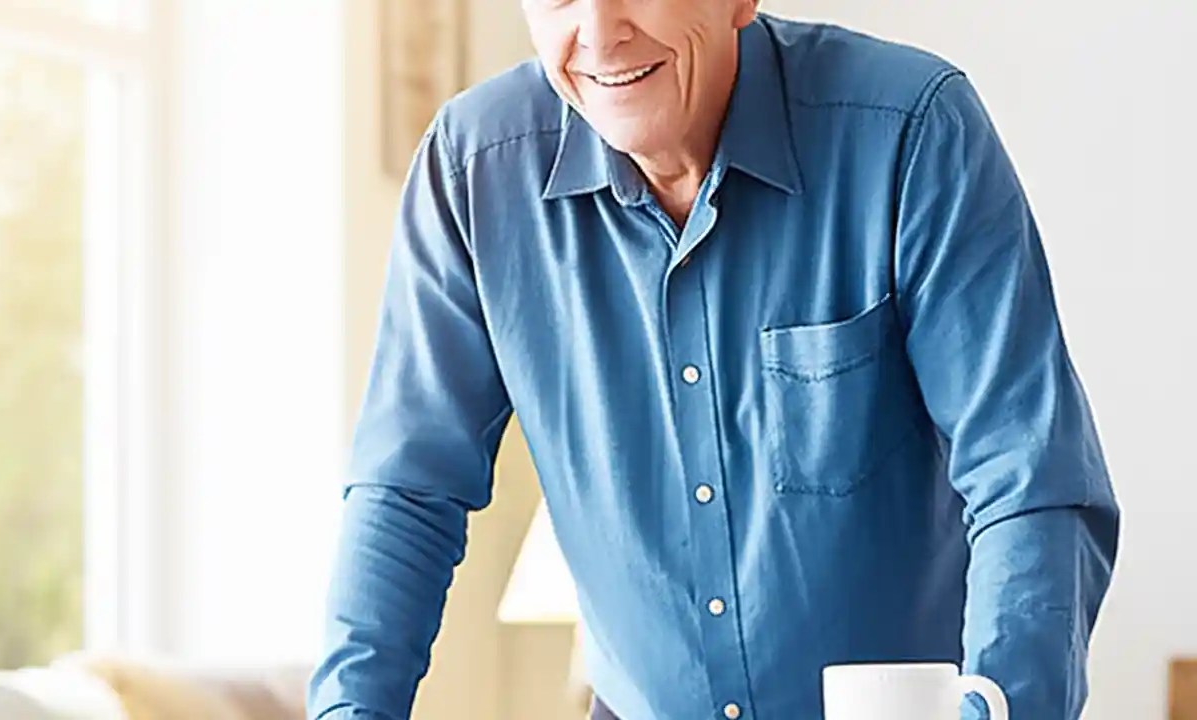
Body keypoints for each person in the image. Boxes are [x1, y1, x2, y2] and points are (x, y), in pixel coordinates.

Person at [308, 2, 1119, 719]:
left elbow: (1029, 480)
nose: (598, 32)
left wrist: (1004, 702)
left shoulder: (909, 131)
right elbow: (408, 491)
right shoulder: (473, 172)